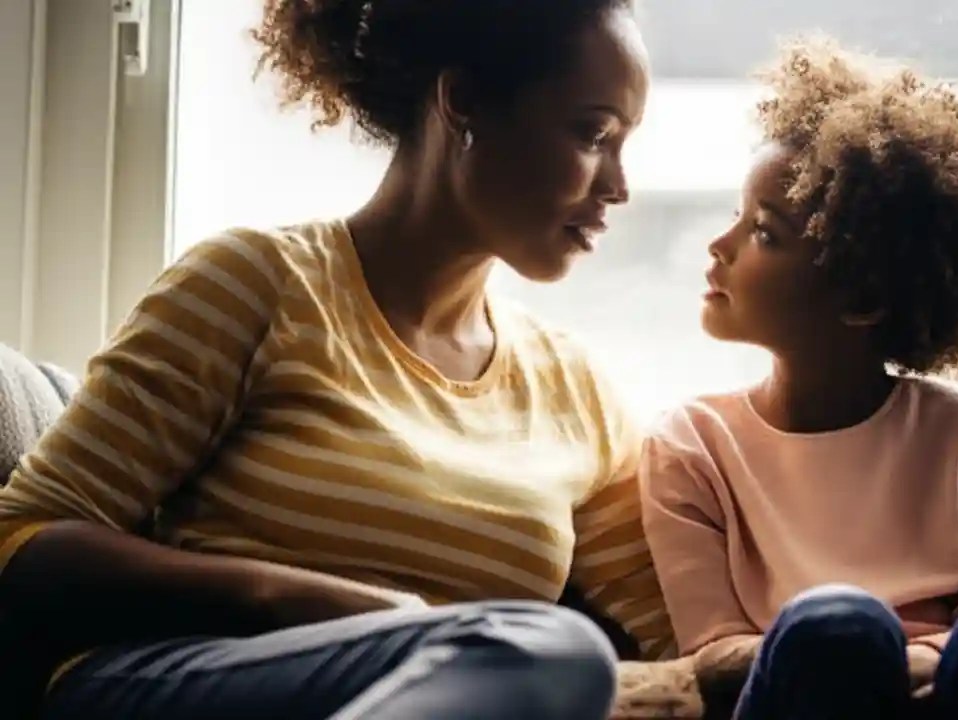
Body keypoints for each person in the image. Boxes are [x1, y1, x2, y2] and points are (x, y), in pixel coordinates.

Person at [0, 1, 669, 718]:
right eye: (593, 134)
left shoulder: (574, 391)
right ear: (464, 101)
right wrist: (335, 606)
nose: (619, 186)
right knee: (548, 648)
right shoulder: (258, 285)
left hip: (449, 688)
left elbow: (677, 644)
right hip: (170, 681)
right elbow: (24, 545)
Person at [640, 37, 958, 720]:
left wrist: (920, 661)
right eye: (736, 218)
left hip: (954, 698)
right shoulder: (691, 446)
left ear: (862, 298)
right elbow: (714, 651)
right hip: (806, 692)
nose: (719, 246)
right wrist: (867, 653)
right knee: (835, 630)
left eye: (765, 232)